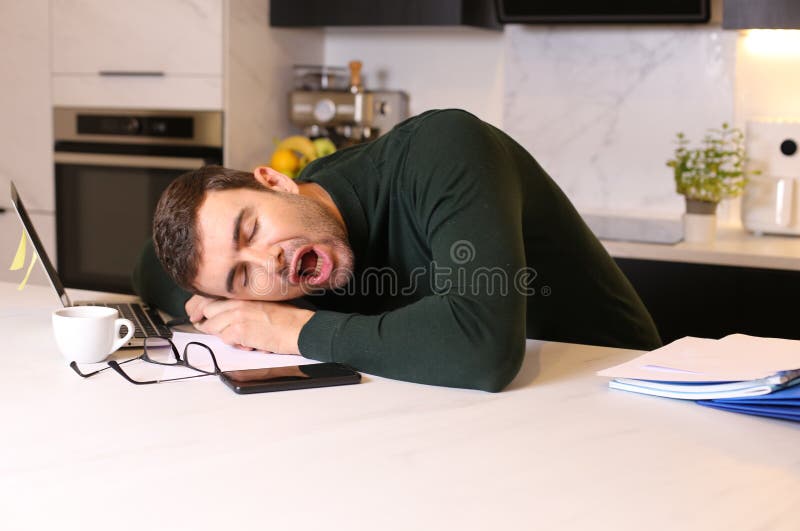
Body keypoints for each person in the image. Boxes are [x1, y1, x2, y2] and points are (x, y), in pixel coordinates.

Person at [134, 109, 661, 392]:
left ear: (275, 181)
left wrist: (288, 330)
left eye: (250, 230)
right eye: (241, 277)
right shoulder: (280, 267)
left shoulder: (444, 147)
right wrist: (213, 305)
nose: (265, 261)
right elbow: (147, 270)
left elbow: (482, 350)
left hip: (617, 387)